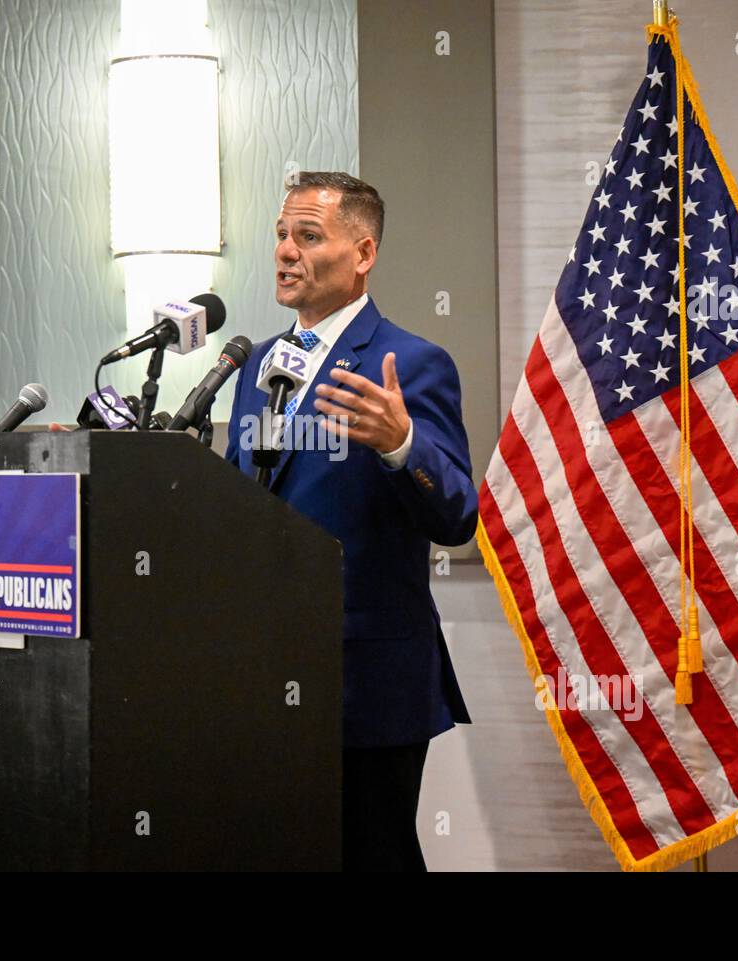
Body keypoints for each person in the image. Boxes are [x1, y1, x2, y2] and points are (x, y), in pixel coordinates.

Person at [224, 171, 478, 871]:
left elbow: (458, 514)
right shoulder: (256, 368)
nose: (284, 250)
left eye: (308, 236)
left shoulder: (413, 363)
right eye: (280, 234)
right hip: (264, 671)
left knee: (374, 856)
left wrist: (402, 443)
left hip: (367, 676)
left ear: (362, 253)